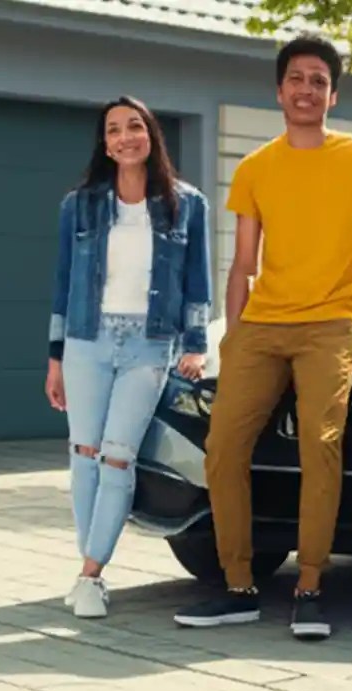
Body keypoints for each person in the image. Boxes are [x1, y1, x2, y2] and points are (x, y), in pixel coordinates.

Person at [172, 32, 352, 640]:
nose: (307, 89)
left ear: (333, 95)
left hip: (330, 326)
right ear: (279, 91)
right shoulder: (255, 168)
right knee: (222, 448)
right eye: (297, 79)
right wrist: (235, 335)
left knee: (319, 446)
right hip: (262, 327)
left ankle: (310, 587)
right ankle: (239, 586)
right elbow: (243, 262)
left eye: (319, 81)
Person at [45, 95, 212, 619]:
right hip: (86, 342)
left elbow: (196, 281)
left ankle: (90, 574)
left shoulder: (188, 204)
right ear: (105, 143)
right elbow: (63, 283)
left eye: (134, 126)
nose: (125, 137)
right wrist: (55, 359)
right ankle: (89, 572)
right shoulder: (81, 204)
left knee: (118, 457)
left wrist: (197, 344)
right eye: (113, 130)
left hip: (149, 343)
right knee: (84, 458)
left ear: (151, 134)